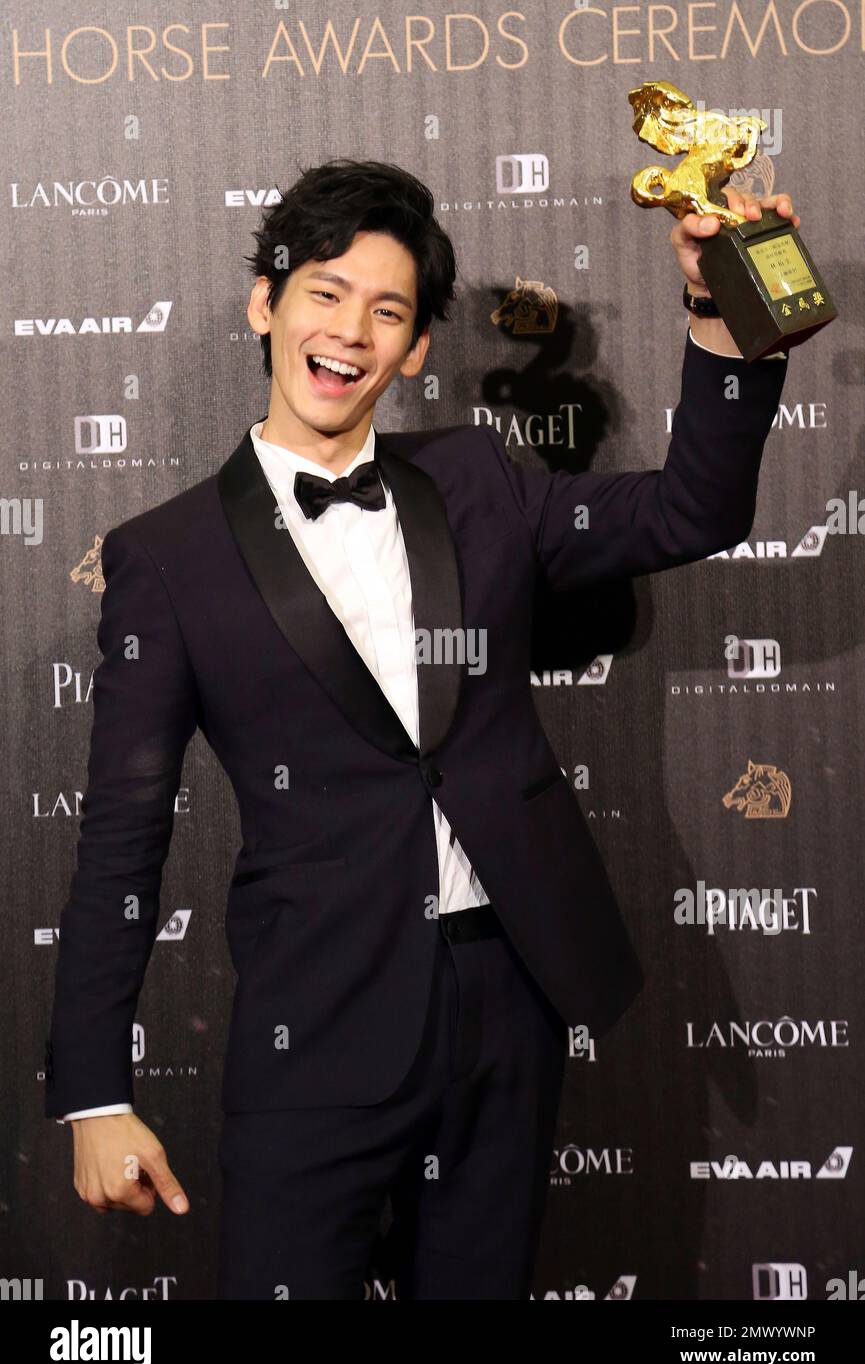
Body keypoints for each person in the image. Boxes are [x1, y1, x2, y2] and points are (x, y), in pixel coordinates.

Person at [45, 158, 797, 1299]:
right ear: (268, 302)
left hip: (508, 996)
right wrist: (94, 1091)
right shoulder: (169, 556)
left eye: (386, 311)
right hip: (318, 1017)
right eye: (326, 292)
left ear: (416, 351)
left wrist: (720, 299)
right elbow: (122, 836)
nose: (350, 330)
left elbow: (696, 507)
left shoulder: (477, 482)